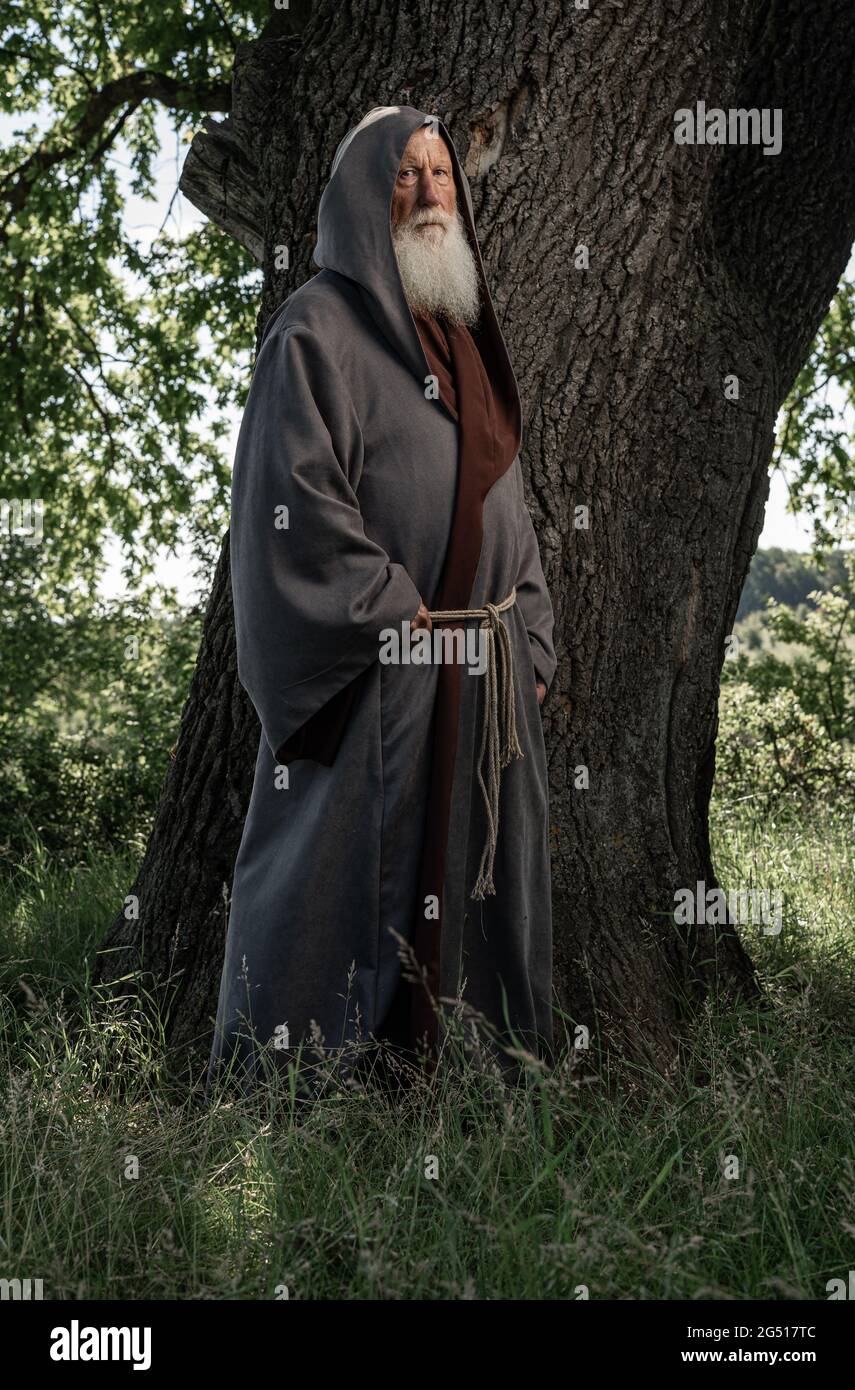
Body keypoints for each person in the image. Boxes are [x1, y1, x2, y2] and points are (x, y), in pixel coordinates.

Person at [206, 105, 557, 1099]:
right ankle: (303, 1105)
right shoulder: (316, 328)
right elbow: (292, 504)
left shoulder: (466, 341)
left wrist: (529, 644)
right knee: (337, 894)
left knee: (478, 899)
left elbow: (511, 512)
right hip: (379, 679)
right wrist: (394, 618)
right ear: (365, 196)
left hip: (483, 688)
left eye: (442, 175)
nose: (430, 194)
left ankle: (476, 1101)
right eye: (405, 175)